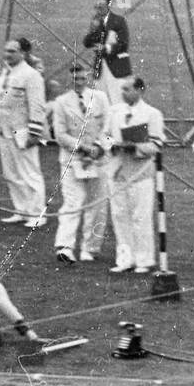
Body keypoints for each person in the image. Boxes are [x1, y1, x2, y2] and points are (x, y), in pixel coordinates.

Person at [51, 61, 111, 263]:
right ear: (70, 80)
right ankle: (65, 247)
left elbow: (108, 129)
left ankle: (90, 248)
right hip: (72, 159)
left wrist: (98, 146)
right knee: (72, 202)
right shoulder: (61, 102)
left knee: (97, 204)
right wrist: (82, 148)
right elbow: (60, 135)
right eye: (75, 79)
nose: (79, 82)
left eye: (83, 78)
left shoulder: (101, 98)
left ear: (89, 78)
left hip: (98, 158)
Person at [105, 77, 165, 273]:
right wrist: (109, 145)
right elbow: (104, 136)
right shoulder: (115, 112)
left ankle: (143, 259)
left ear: (140, 90)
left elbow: (156, 144)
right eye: (122, 89)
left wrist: (135, 146)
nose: (124, 93)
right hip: (117, 170)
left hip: (140, 172)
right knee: (119, 215)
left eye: (128, 89)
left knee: (140, 216)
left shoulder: (152, 114)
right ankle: (125, 259)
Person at [0, 38, 48, 229]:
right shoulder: (5, 73)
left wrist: (35, 132)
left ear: (23, 54)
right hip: (4, 129)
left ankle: (37, 214)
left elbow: (37, 105)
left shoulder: (31, 75)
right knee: (11, 173)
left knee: (30, 173)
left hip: (21, 130)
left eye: (12, 51)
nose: (7, 54)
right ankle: (21, 210)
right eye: (6, 50)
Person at [81, 0, 132, 103]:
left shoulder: (119, 20)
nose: (98, 10)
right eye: (97, 7)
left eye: (101, 7)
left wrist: (106, 48)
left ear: (108, 6)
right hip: (100, 69)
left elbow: (124, 44)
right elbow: (86, 43)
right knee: (102, 101)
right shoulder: (96, 22)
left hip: (116, 68)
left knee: (118, 100)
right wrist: (93, 30)